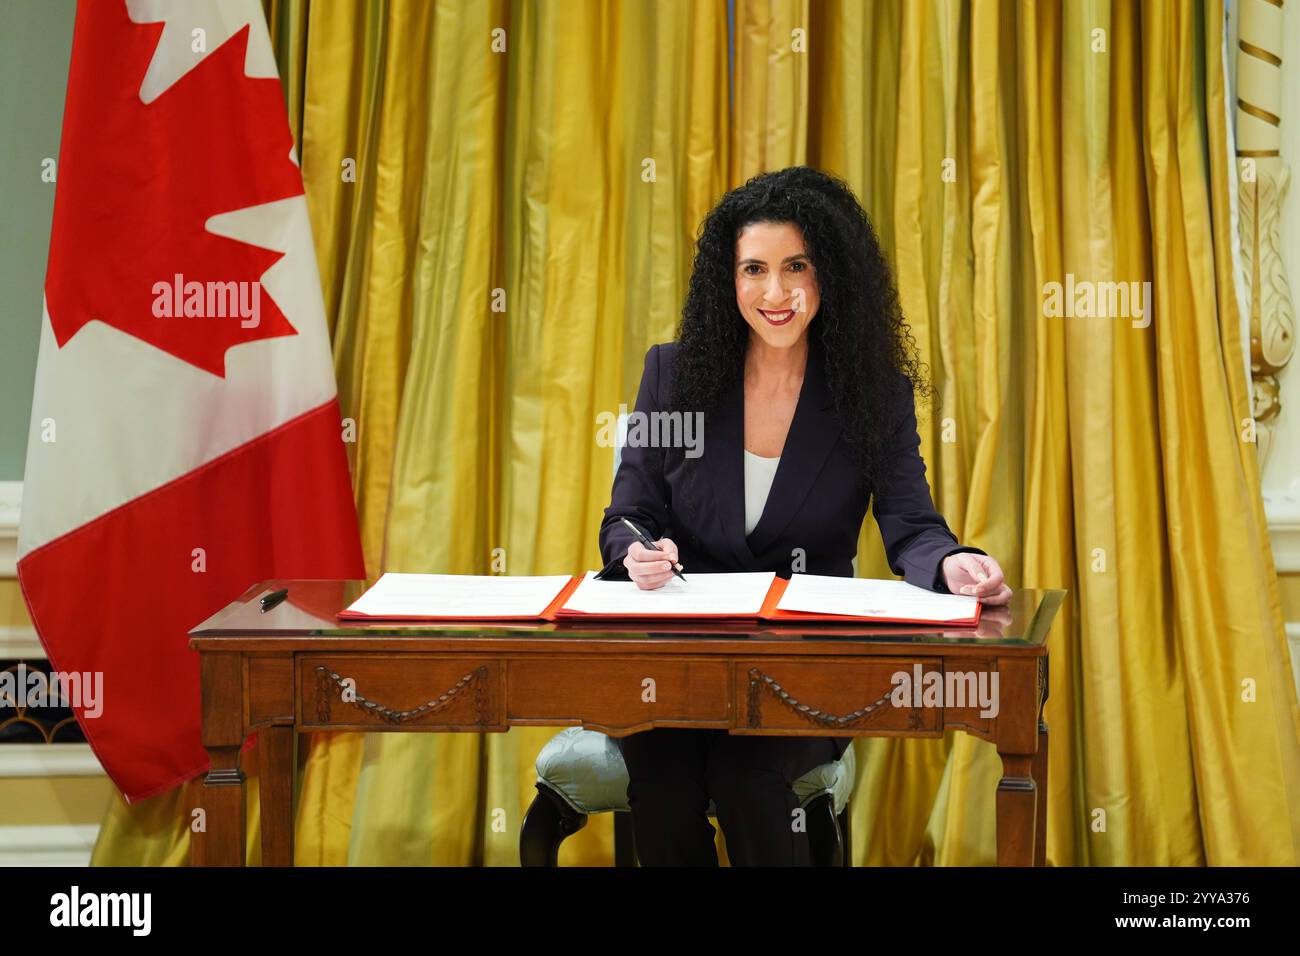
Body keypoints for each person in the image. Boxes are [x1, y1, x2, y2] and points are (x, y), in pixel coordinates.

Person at [597, 166, 1012, 866]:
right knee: (664, 785)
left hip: (803, 667)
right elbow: (630, 513)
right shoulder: (673, 378)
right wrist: (637, 552)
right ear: (726, 282)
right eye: (753, 269)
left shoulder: (870, 393)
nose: (775, 292)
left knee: (746, 777)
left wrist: (950, 563)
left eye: (797, 267)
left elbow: (911, 524)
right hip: (679, 659)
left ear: (831, 274)